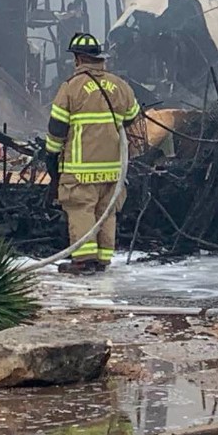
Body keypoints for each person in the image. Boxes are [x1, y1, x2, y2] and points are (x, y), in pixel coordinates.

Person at [42, 32, 142, 274]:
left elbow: (57, 128)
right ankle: (103, 258)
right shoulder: (120, 85)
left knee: (81, 209)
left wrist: (51, 155)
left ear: (78, 59)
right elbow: (132, 117)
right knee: (106, 211)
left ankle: (83, 260)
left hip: (80, 167)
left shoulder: (71, 87)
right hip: (113, 167)